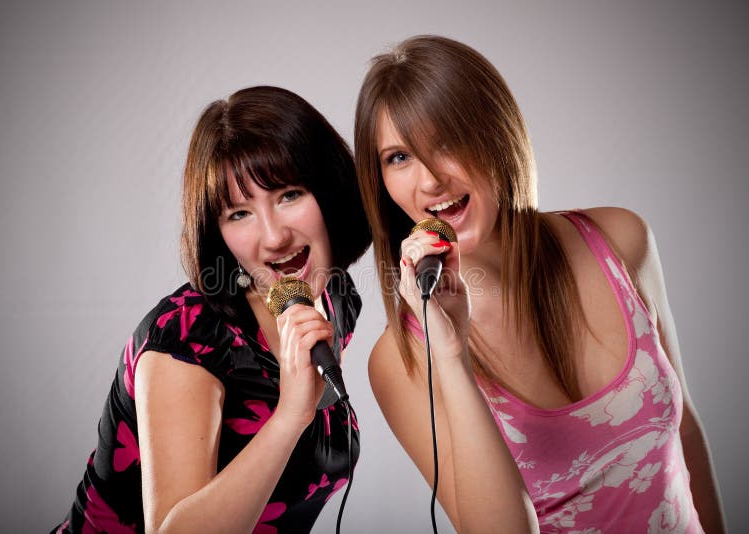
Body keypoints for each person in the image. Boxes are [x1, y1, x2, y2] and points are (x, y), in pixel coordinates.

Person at [354, 35, 725, 533]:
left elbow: (685, 430)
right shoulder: (402, 359)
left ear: (496, 132)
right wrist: (452, 356)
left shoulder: (620, 239)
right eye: (399, 157)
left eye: (446, 141)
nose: (429, 181)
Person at [54, 86, 371, 533]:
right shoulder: (185, 340)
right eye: (239, 214)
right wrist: (289, 418)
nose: (274, 237)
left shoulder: (333, 298)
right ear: (217, 232)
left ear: (329, 188)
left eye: (289, 195)